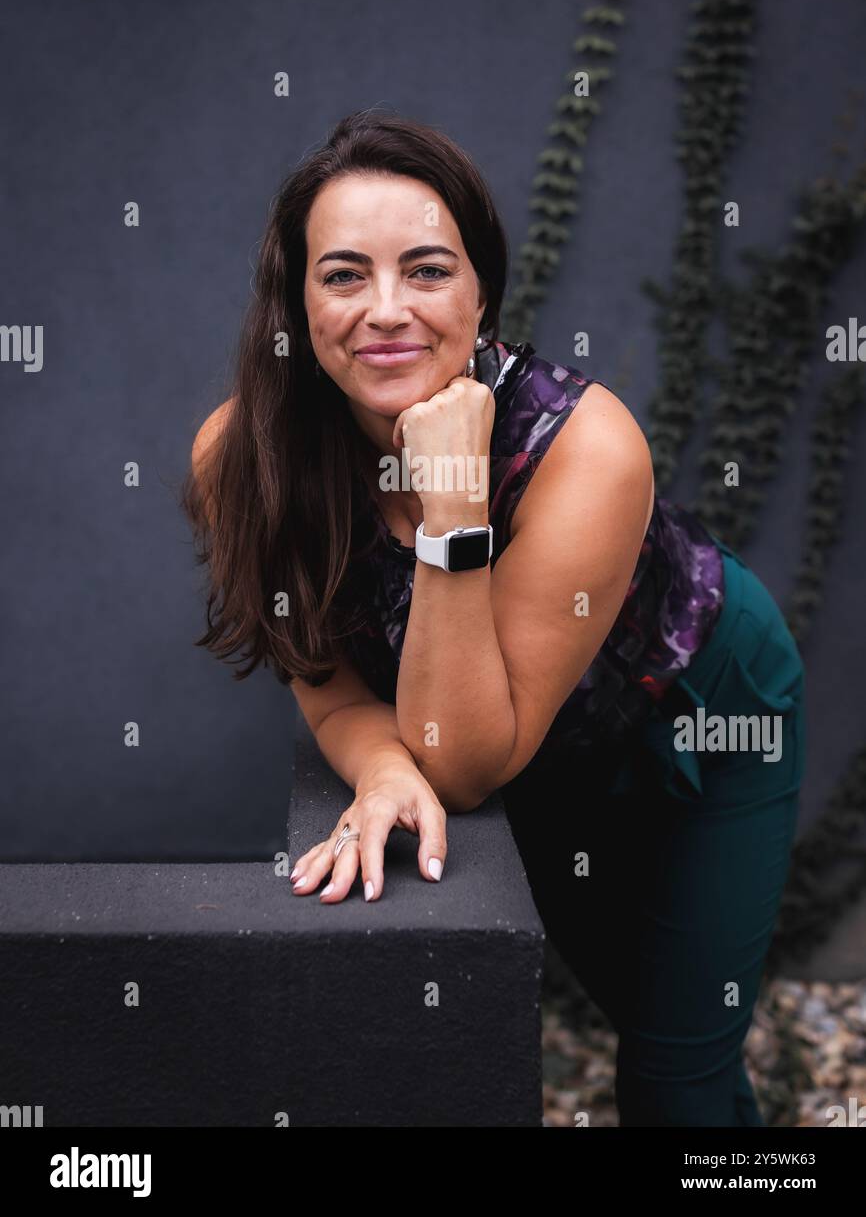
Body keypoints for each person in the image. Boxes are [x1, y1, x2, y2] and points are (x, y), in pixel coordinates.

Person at [183, 109, 806, 1126]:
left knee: (674, 1074)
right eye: (342, 275)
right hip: (524, 732)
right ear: (292, 300)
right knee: (628, 1005)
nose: (385, 310)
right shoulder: (240, 462)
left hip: (703, 705)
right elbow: (372, 709)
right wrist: (384, 766)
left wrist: (454, 501)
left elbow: (464, 761)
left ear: (482, 294)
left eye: (427, 270)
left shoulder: (586, 446)